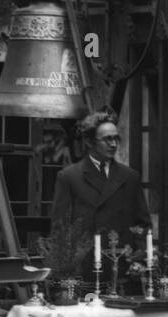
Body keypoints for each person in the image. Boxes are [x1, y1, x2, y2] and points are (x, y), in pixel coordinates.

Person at [50, 111, 151, 277]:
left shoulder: (130, 177)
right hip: (84, 268)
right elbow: (60, 228)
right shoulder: (70, 177)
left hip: (122, 267)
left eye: (116, 138)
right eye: (107, 139)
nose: (113, 144)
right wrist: (64, 270)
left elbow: (143, 224)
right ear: (90, 142)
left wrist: (139, 258)